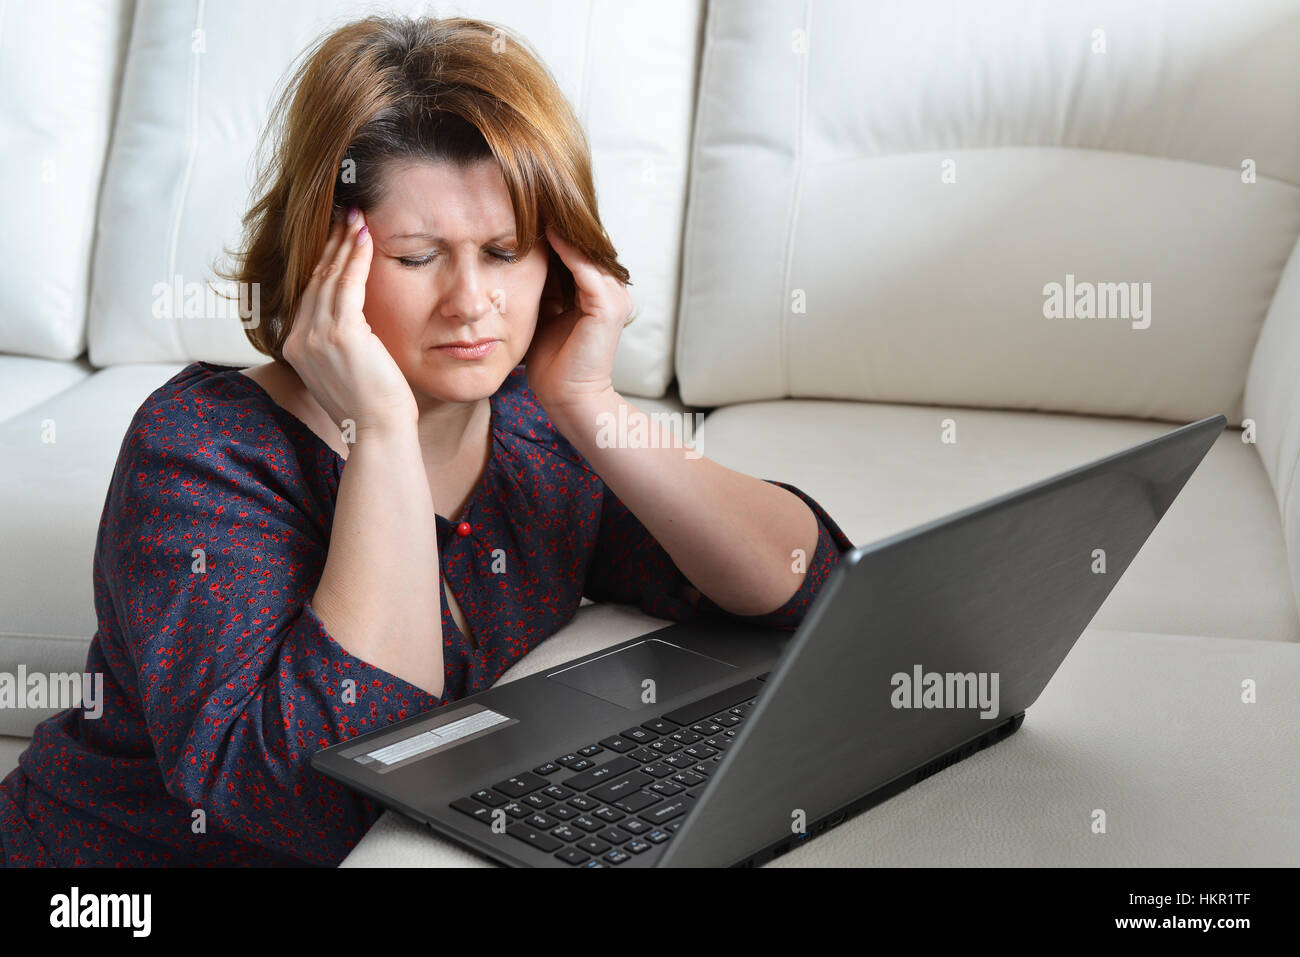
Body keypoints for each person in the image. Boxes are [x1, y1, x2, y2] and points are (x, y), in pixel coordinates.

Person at [0, 14, 853, 867]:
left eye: (506, 250)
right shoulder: (198, 453)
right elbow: (315, 802)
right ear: (323, 260)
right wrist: (382, 432)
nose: (472, 301)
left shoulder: (529, 428)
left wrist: (589, 399)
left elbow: (804, 589)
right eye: (418, 257)